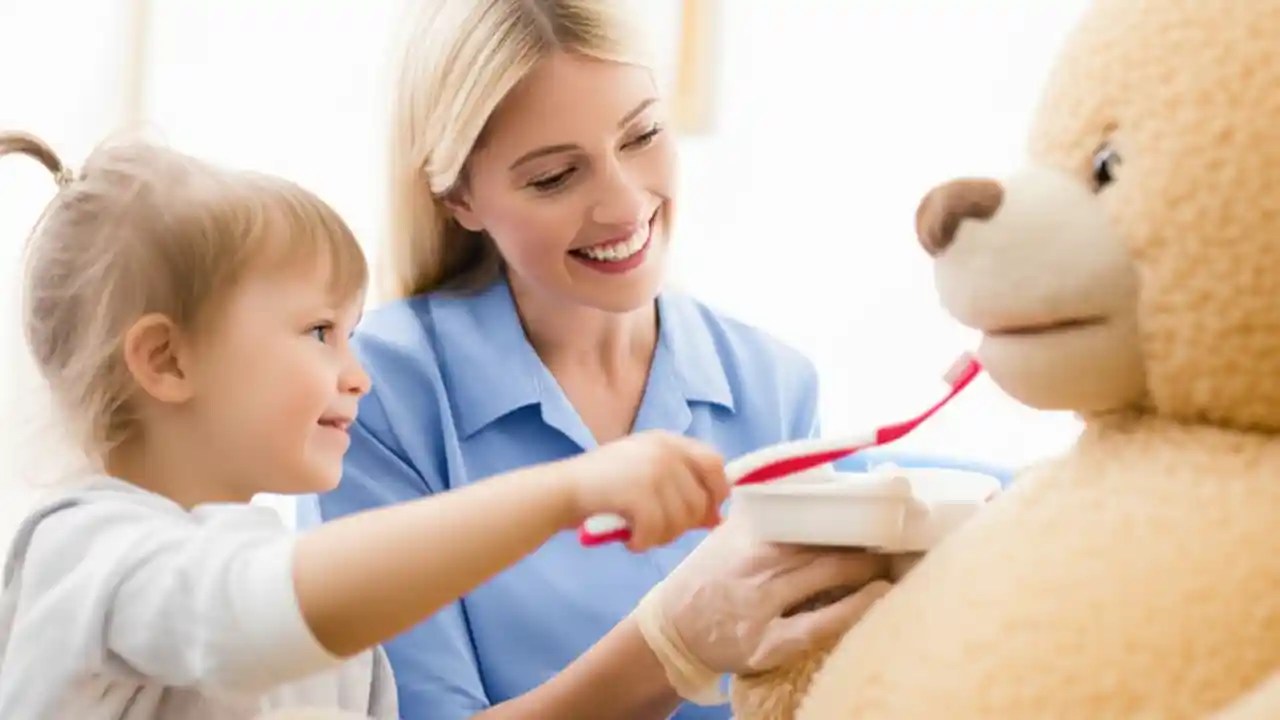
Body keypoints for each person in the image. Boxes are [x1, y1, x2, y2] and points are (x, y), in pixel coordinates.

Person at [0, 130, 738, 719]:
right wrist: (563, 492)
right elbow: (243, 613)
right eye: (320, 332)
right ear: (166, 359)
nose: (359, 374)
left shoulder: (336, 634)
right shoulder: (85, 551)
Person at [302, 1, 896, 718]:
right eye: (554, 177)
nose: (623, 205)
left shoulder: (774, 385)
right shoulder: (373, 395)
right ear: (459, 196)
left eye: (643, 133)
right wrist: (673, 643)